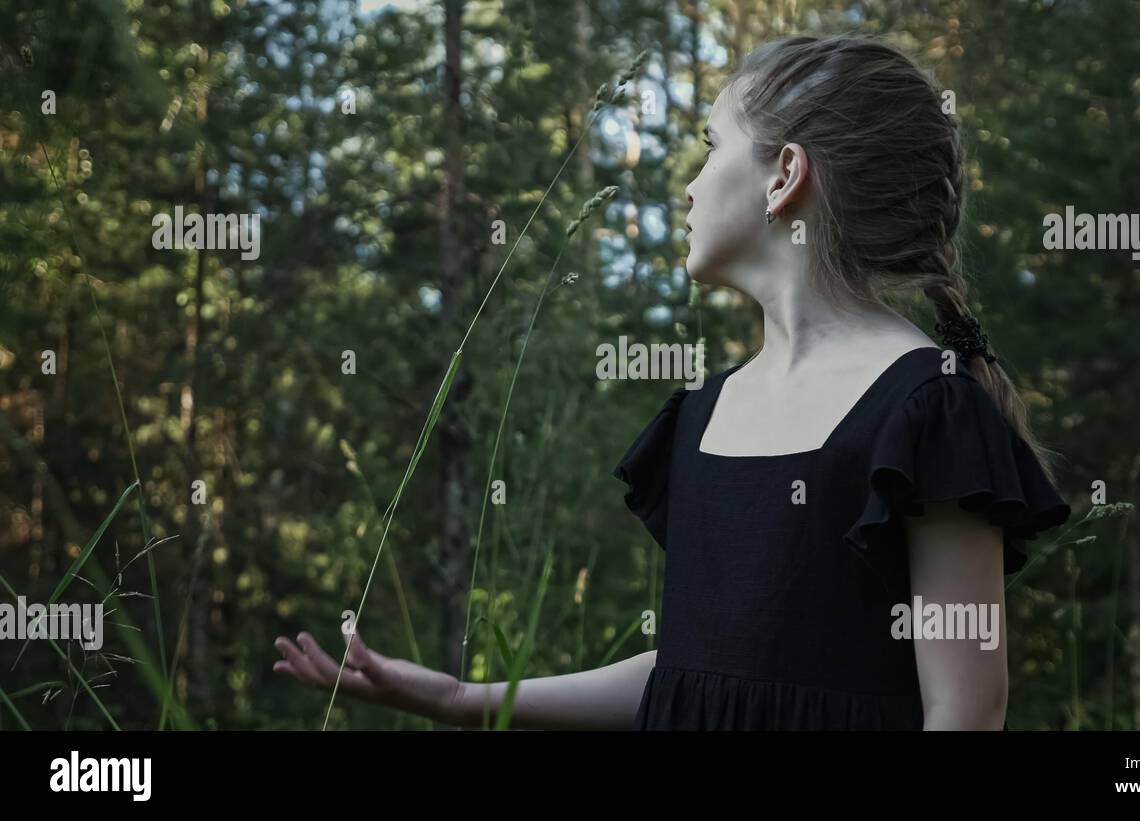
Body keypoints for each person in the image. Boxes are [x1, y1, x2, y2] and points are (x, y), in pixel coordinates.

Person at [273, 32, 1072, 730]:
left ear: (784, 174)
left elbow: (967, 712)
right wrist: (460, 697)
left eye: (711, 145)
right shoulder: (701, 414)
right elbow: (692, 678)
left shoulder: (928, 410)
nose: (687, 185)